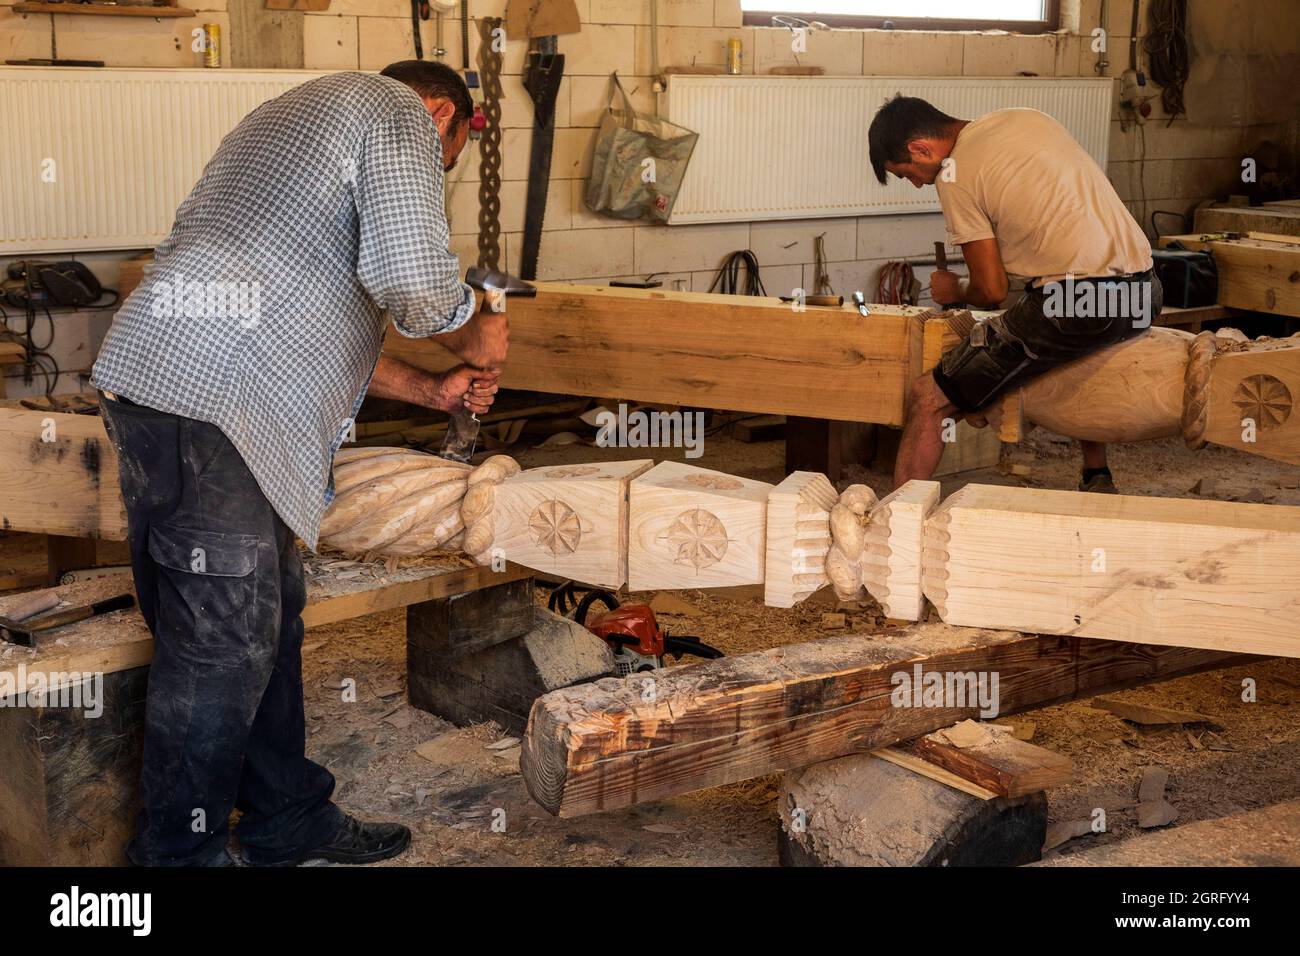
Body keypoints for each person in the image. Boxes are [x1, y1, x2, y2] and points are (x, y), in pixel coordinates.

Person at [90, 60, 506, 867]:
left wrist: (430, 388)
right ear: (442, 112)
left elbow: (309, 312)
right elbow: (412, 284)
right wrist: (477, 326)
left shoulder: (291, 121)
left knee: (263, 622)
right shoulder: (394, 111)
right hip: (212, 402)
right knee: (219, 649)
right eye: (444, 158)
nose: (436, 170)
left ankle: (288, 818)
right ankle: (176, 860)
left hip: (183, 390)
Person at [869, 95, 1162, 493]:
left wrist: (954, 287)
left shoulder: (953, 174)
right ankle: (1097, 474)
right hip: (1145, 291)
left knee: (929, 397)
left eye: (909, 174)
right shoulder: (1023, 117)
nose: (919, 183)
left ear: (921, 148)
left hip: (1080, 302)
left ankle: (896, 518)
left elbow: (991, 291)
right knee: (1079, 357)